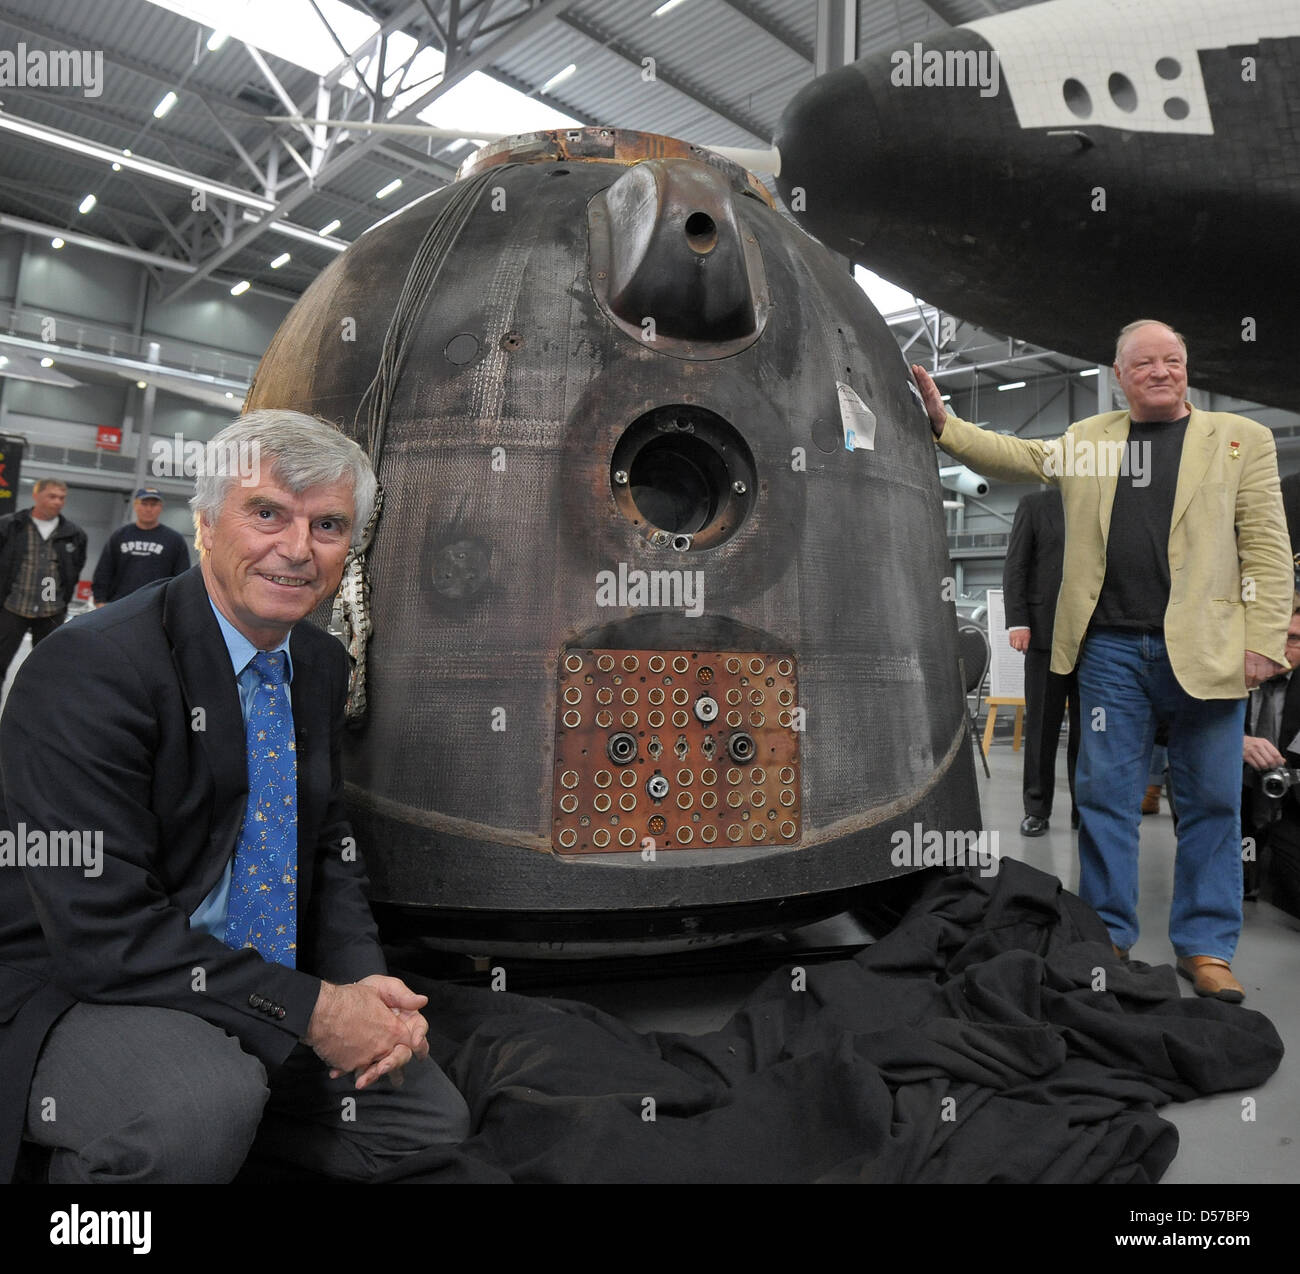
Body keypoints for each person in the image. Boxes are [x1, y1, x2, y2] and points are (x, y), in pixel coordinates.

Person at [0, 410, 469, 1183]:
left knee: (426, 1120)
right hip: (86, 981)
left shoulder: (317, 663)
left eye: (327, 525)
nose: (296, 549)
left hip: (253, 981)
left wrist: (361, 993)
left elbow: (324, 844)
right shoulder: (88, 668)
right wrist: (314, 1012)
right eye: (267, 514)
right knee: (193, 1107)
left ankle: (214, 1148)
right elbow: (102, 935)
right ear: (207, 523)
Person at [912, 319, 1292, 1003]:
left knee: (1209, 804)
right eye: (1144, 363)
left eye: (1173, 360)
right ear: (1120, 375)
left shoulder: (1241, 441)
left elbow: (1266, 543)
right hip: (1111, 650)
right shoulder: (1089, 443)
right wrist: (946, 425)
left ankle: (1206, 948)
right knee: (1104, 800)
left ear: (1187, 368)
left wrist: (1264, 637)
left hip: (1206, 651)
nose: (1161, 371)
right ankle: (1108, 935)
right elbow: (1017, 456)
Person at [1003, 488, 1079, 836]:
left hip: (1093, 636)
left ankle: (1085, 809)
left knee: (1089, 733)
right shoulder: (1033, 504)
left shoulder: (1103, 500)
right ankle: (1037, 808)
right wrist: (1018, 620)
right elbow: (1016, 565)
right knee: (1041, 728)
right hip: (1044, 634)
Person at [1241, 597, 1300, 919]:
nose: (1283, 647)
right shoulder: (1233, 673)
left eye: (1294, 639)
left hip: (1291, 801)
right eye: (1277, 636)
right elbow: (1172, 731)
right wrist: (1235, 742)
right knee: (1238, 879)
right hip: (1237, 795)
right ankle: (1252, 866)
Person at [0, 478, 87, 679]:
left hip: (51, 611)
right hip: (13, 608)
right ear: (36, 495)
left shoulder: (74, 534)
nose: (58, 502)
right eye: (52, 496)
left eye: (62, 498)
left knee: (48, 670)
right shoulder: (10, 527)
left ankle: (37, 709)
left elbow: (75, 567)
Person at [91, 486, 190, 606]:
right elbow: (104, 571)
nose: (148, 509)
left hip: (156, 608)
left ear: (160, 507)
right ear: (135, 505)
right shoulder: (119, 536)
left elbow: (182, 579)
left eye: (153, 504)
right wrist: (100, 602)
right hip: (118, 605)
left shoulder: (174, 540)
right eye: (144, 503)